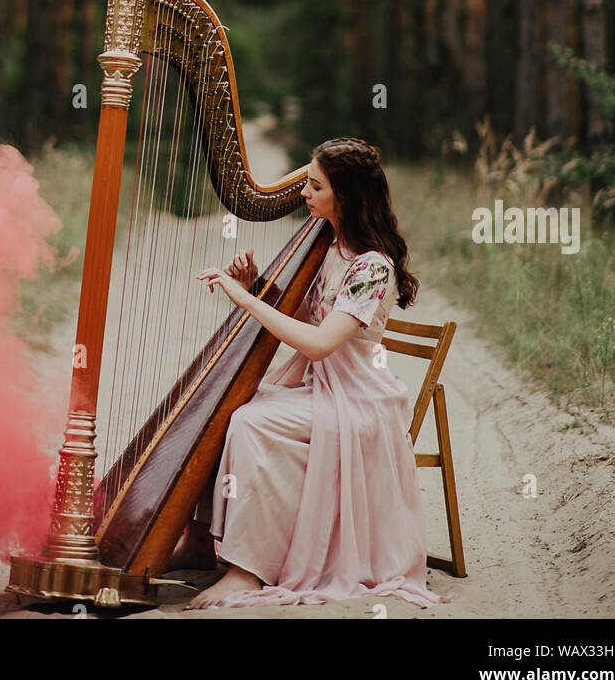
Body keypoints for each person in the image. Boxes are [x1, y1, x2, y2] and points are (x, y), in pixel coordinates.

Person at [184, 136, 448, 610]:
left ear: (343, 195)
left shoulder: (373, 269)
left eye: (314, 185)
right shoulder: (328, 247)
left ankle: (246, 571)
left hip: (359, 402)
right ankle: (202, 541)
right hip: (323, 391)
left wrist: (241, 299)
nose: (303, 193)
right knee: (223, 407)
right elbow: (307, 318)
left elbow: (320, 343)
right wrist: (257, 286)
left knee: (250, 422)